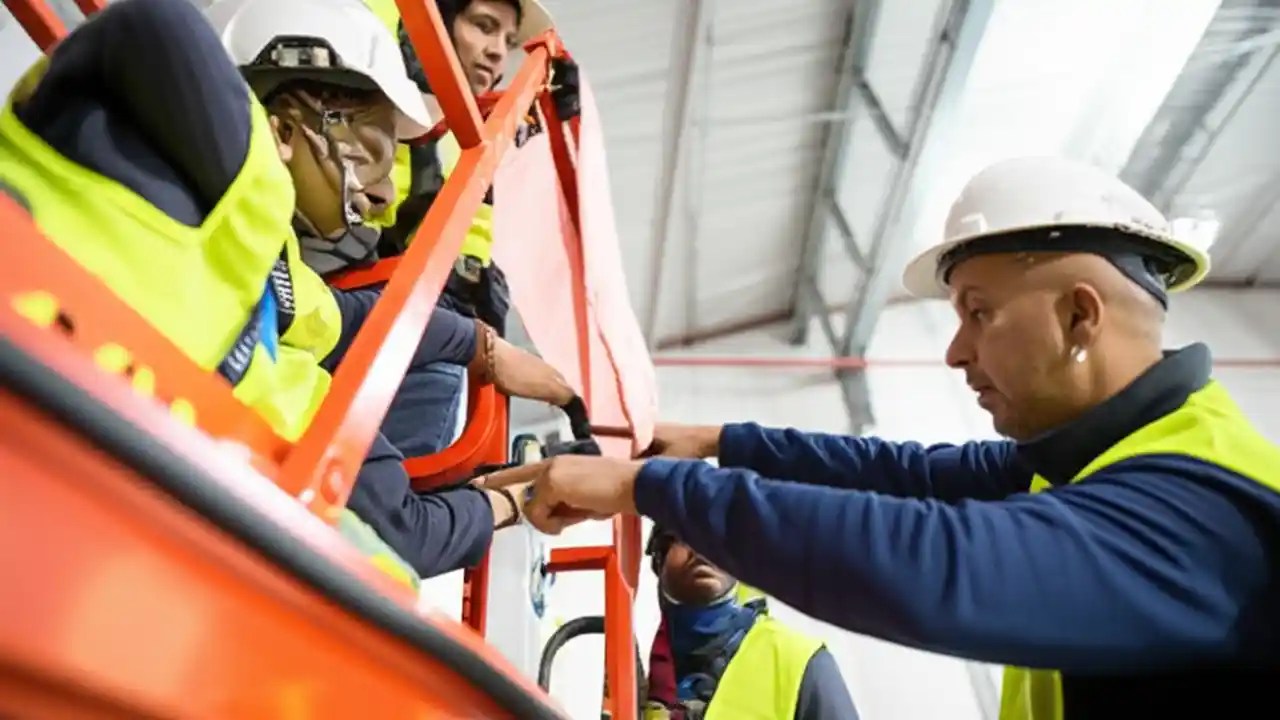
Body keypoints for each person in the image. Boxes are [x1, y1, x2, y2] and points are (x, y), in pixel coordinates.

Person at [484, 157, 1280, 717]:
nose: (956, 351)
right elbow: (909, 475)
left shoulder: (1203, 507)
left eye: (979, 313)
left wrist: (645, 487)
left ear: (1080, 315)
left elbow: (934, 561)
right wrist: (719, 441)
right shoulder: (1100, 457)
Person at [0, 0, 533, 584]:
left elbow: (344, 320)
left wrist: (480, 345)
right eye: (375, 152)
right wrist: (515, 501)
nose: (383, 197)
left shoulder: (265, 274)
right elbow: (153, 27)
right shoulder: (243, 197)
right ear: (281, 129)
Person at [351, 0, 576, 457]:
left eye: (507, 40)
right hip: (395, 308)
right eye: (483, 26)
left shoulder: (479, 130)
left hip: (456, 322)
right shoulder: (377, 81)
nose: (497, 51)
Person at [641, 524, 858, 720]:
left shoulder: (799, 662)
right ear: (660, 559)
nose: (702, 549)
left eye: (717, 537)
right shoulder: (631, 664)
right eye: (685, 536)